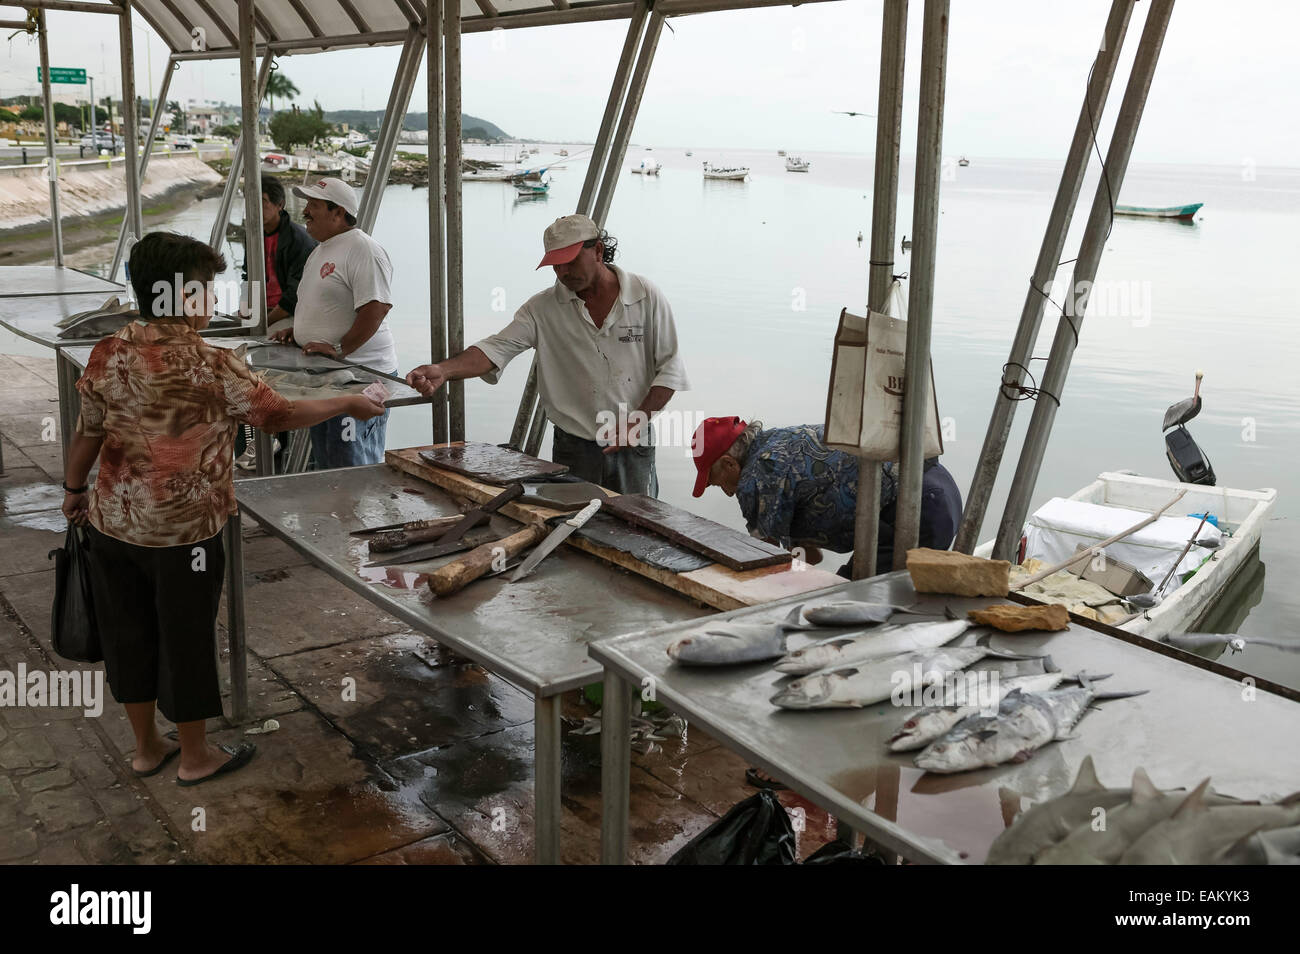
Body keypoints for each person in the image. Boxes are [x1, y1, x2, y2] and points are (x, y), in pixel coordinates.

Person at [63, 231, 385, 785]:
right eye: (207, 288)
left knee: (129, 635)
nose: (211, 299)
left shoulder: (108, 351)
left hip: (111, 524)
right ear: (186, 296)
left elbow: (88, 430)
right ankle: (195, 757)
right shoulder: (209, 362)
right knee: (185, 637)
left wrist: (73, 491)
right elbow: (277, 415)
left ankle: (146, 749)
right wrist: (353, 400)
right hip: (183, 535)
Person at [405, 214, 689, 496]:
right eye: (556, 265)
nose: (564, 272)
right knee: (570, 528)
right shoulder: (542, 308)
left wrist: (637, 420)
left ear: (598, 250)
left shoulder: (644, 295)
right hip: (574, 446)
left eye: (571, 261)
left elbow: (670, 369)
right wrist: (443, 370)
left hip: (634, 441)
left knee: (639, 528)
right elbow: (496, 348)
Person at [689, 416, 962, 572]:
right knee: (846, 593)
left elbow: (765, 563)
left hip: (914, 510)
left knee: (850, 606)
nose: (727, 492)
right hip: (937, 490)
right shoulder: (778, 441)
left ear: (729, 463)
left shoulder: (756, 478)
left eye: (719, 482)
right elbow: (811, 557)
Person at [271, 176, 396, 468]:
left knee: (352, 465)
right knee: (328, 462)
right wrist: (298, 331)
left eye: (313, 206)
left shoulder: (363, 249)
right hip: (326, 375)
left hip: (360, 375)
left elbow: (377, 307)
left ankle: (355, 515)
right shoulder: (320, 250)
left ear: (338, 212)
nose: (305, 213)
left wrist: (340, 349)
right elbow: (324, 305)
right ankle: (336, 515)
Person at [235, 174, 317, 471]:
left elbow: (296, 293)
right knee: (245, 376)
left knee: (273, 381)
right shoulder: (253, 234)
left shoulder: (297, 239)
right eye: (250, 202)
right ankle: (258, 438)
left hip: (284, 315)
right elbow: (247, 274)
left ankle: (274, 437)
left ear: (280, 205)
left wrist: (264, 321)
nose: (254, 209)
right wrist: (246, 310)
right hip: (263, 313)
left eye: (262, 202)